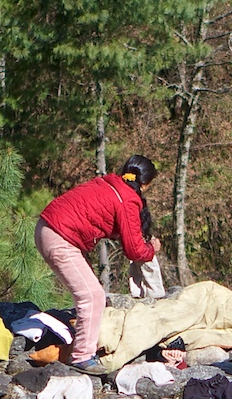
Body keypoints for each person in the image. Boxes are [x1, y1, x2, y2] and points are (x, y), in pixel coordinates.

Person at [36, 155, 158, 370]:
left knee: (89, 292)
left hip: (48, 228)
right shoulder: (127, 199)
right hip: (60, 237)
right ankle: (82, 357)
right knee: (92, 296)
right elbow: (134, 250)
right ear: (145, 184)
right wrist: (151, 250)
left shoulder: (108, 183)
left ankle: (80, 344)